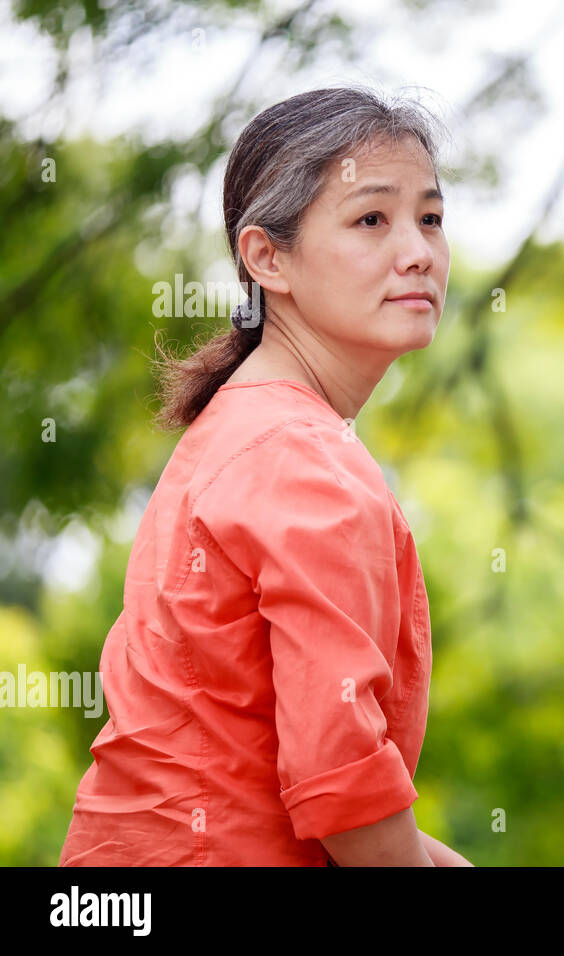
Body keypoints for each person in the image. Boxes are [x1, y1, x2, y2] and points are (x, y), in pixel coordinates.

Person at [57, 86, 471, 866]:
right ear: (266, 257)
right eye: (371, 219)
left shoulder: (240, 427)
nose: (417, 250)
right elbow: (346, 797)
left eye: (432, 218)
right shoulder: (302, 459)